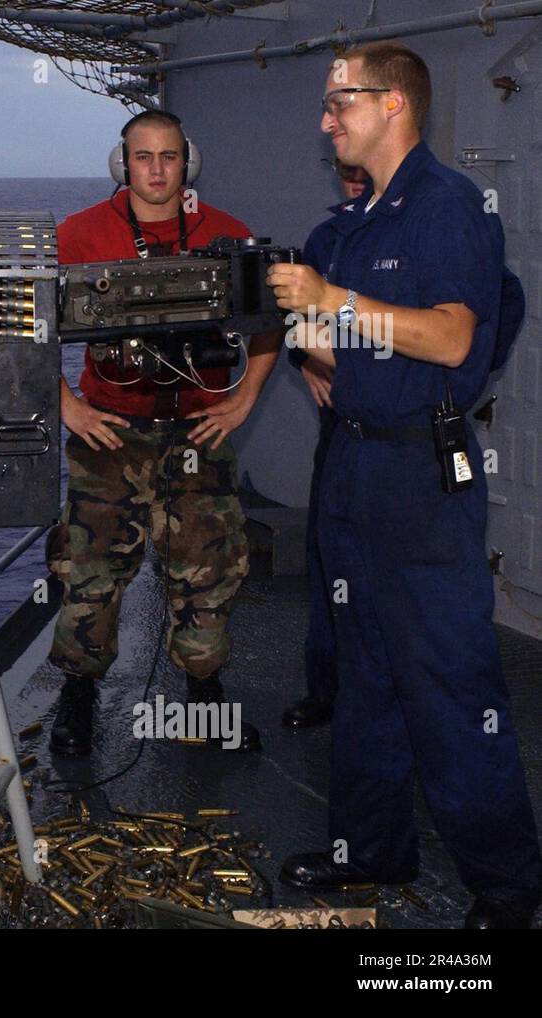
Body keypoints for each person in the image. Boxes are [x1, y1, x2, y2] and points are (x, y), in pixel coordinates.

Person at [268, 41, 541, 929]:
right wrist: (303, 329)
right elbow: (325, 341)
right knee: (366, 673)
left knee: (449, 683)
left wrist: (337, 303)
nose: (325, 119)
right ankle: (370, 853)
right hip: (351, 461)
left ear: (394, 105)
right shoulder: (351, 224)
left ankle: (507, 888)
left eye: (338, 102)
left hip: (421, 475)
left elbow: (458, 338)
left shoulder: (446, 207)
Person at [45, 109, 278, 756]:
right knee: (90, 570)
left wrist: (242, 401)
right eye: (142, 157)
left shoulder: (226, 234)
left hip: (197, 432)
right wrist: (70, 407)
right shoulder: (81, 234)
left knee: (208, 569)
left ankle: (204, 699)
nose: (155, 170)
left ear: (187, 163)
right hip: (110, 435)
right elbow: (23, 324)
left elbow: (269, 321)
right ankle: (79, 697)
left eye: (168, 157)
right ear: (125, 164)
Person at [281, 159, 369, 730]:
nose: (354, 177)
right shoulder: (326, 237)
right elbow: (291, 313)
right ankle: (327, 689)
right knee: (328, 555)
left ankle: (385, 698)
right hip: (343, 427)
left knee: (394, 569)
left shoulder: (425, 230)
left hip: (405, 424)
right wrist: (304, 356)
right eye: (344, 169)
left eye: (363, 167)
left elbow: (495, 305)